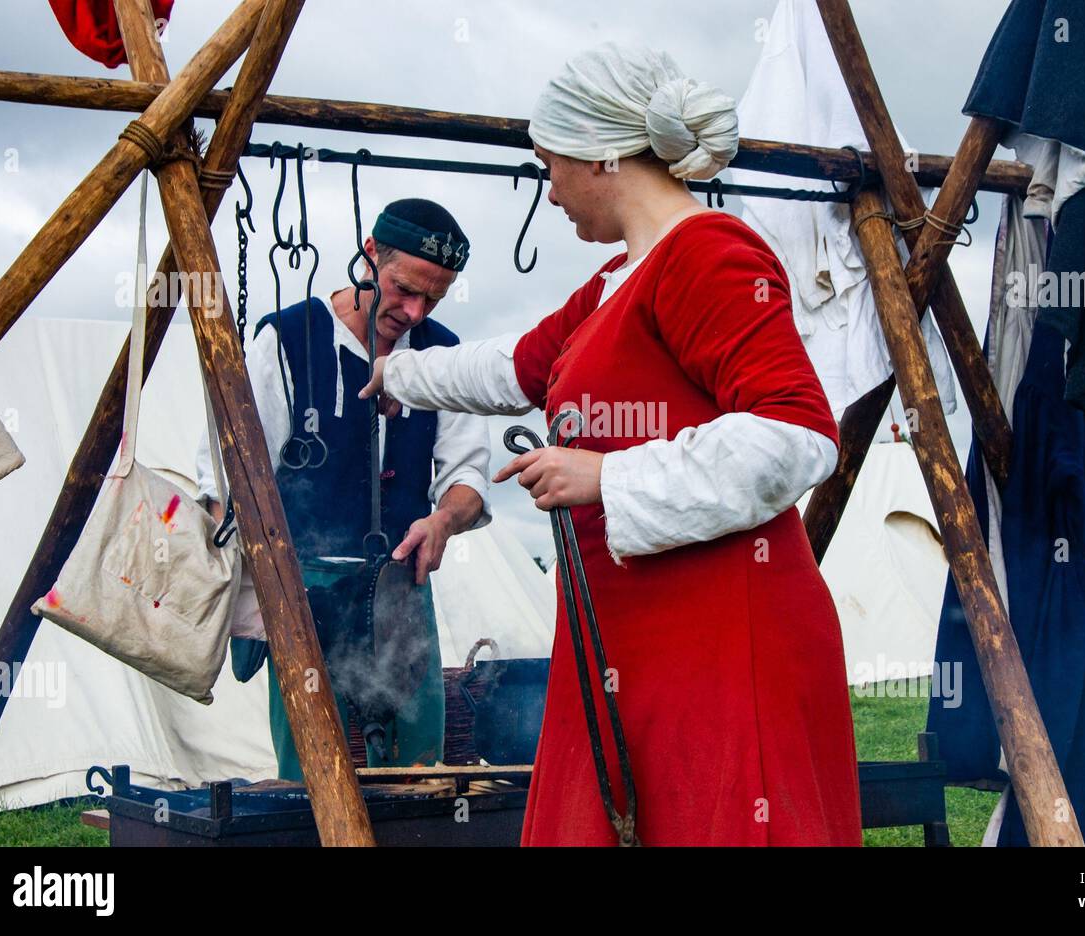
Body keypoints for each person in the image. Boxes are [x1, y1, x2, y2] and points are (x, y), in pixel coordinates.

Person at [361, 43, 861, 846]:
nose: (548, 187)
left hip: (719, 635)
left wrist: (610, 475)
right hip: (626, 638)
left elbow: (797, 434)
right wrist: (397, 375)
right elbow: (511, 366)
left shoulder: (707, 255)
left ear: (599, 153)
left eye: (549, 162)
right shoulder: (610, 286)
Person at [197, 198, 491, 779]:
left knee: (419, 768)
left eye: (431, 297)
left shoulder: (444, 353)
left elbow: (467, 477)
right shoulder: (287, 339)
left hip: (399, 586)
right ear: (369, 253)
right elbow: (226, 471)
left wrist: (443, 521)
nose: (414, 310)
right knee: (309, 766)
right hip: (301, 589)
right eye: (403, 289)